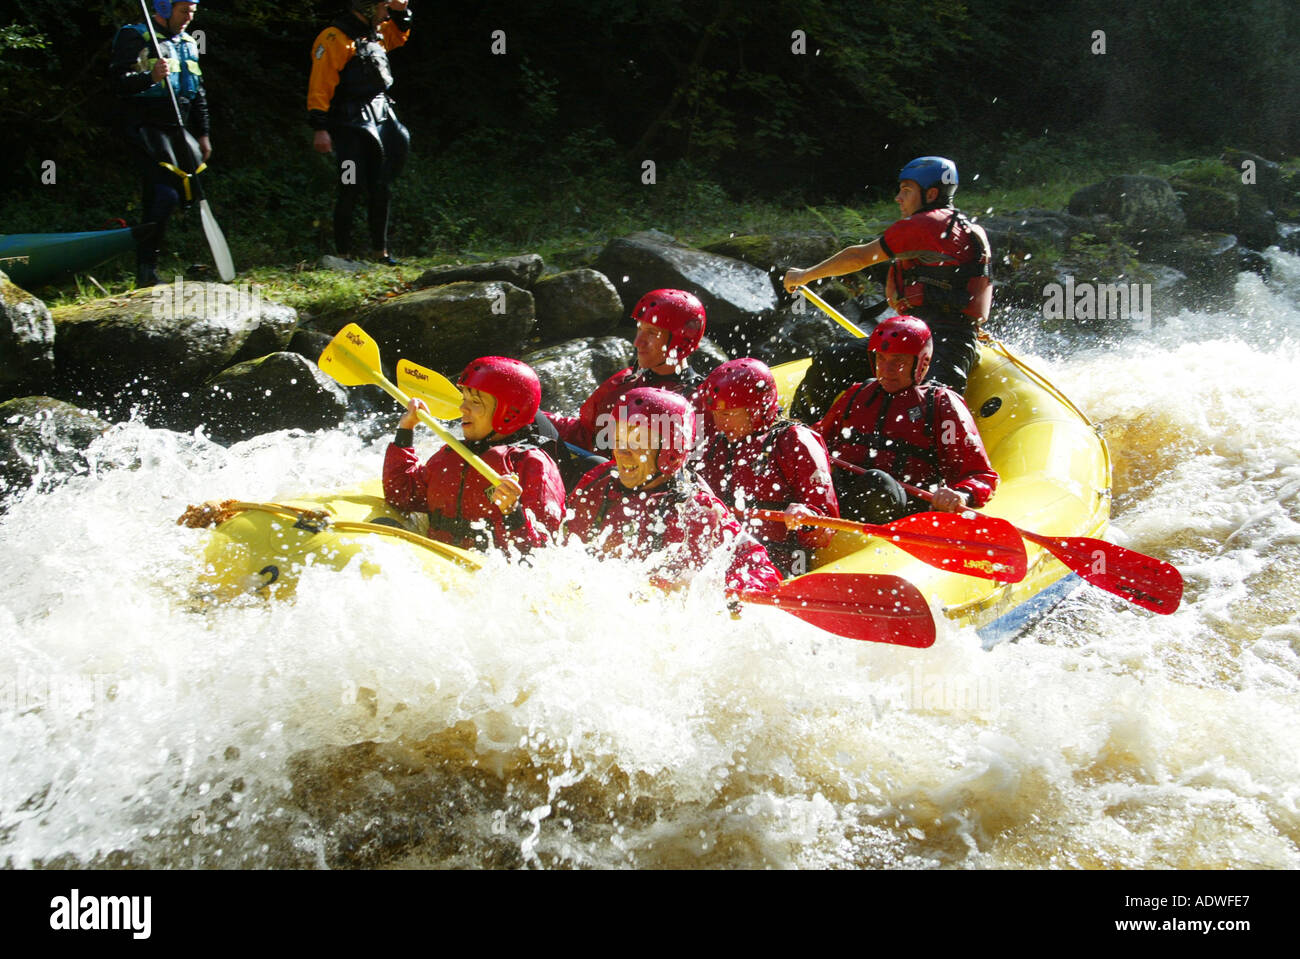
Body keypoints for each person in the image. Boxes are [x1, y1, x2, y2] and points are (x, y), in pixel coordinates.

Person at [783, 155, 992, 412]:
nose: (898, 198)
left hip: (942, 343)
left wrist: (803, 275)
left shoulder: (926, 224)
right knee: (833, 360)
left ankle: (798, 430)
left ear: (932, 193)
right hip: (933, 339)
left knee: (931, 407)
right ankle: (804, 432)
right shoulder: (968, 228)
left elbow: (858, 257)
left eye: (906, 190)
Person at [565, 388, 781, 594]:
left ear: (670, 451)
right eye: (619, 439)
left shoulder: (696, 509)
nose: (621, 452)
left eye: (636, 442)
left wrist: (736, 587)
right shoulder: (598, 483)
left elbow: (759, 567)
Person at [814, 315, 998, 524]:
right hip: (844, 498)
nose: (886, 370)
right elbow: (815, 441)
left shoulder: (941, 405)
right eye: (881, 358)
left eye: (898, 361)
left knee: (877, 483)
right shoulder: (858, 394)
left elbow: (981, 475)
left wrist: (963, 494)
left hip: (903, 508)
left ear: (921, 363)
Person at [383, 356, 565, 553]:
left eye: (475, 402)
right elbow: (400, 496)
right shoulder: (449, 455)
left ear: (507, 412)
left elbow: (542, 553)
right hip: (437, 562)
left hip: (485, 572)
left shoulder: (532, 464)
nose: (462, 408)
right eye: (464, 399)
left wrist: (512, 512)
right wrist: (405, 429)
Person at [542, 288, 709, 487]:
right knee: (531, 419)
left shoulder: (700, 402)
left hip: (639, 492)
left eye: (652, 333)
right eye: (639, 329)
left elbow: (695, 477)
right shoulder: (625, 380)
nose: (638, 342)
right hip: (597, 483)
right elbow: (583, 433)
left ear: (680, 341)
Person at [696, 358, 840, 577]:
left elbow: (827, 527)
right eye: (715, 414)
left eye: (726, 415)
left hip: (782, 563)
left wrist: (807, 518)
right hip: (726, 558)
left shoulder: (795, 441)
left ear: (757, 409)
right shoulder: (717, 443)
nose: (719, 424)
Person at [109, 0, 210, 288]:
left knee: (180, 195)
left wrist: (203, 133)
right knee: (164, 194)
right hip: (143, 127)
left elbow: (198, 92)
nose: (189, 18)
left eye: (193, 12)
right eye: (183, 11)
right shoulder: (135, 35)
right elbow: (118, 82)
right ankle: (145, 270)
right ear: (165, 9)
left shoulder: (189, 42)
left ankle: (149, 268)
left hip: (177, 128)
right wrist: (149, 77)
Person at [307, 0, 412, 264]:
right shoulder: (334, 38)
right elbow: (320, 86)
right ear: (366, 8)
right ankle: (343, 255)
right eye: (382, 8)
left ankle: (380, 252)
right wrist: (320, 127)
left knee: (381, 186)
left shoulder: (376, 33)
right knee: (349, 187)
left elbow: (400, 34)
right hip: (347, 124)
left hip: (380, 115)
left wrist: (400, 8)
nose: (386, 14)